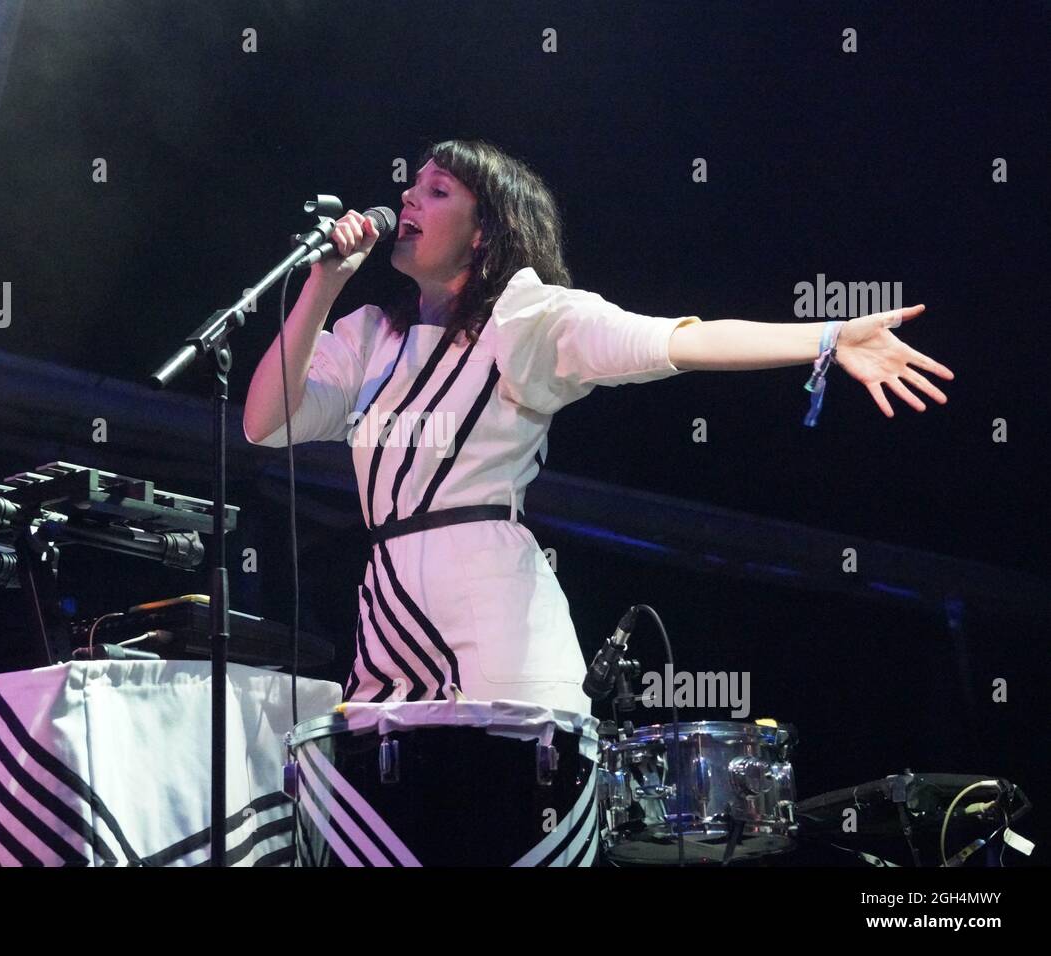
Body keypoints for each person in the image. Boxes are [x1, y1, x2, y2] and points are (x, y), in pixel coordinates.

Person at [243, 139, 954, 715]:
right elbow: (264, 424)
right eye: (412, 185)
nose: (407, 196)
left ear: (486, 229)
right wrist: (326, 282)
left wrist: (826, 337)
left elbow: (677, 341)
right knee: (386, 823)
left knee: (509, 812)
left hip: (490, 603)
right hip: (388, 607)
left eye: (437, 190)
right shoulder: (371, 333)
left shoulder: (526, 318)